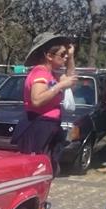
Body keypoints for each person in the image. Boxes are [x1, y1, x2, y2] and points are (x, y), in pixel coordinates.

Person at [11, 33, 77, 176]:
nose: (65, 57)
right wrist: (59, 86)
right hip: (38, 125)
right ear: (49, 56)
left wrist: (71, 57)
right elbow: (37, 100)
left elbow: (71, 80)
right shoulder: (40, 73)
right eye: (62, 54)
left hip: (49, 125)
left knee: (48, 168)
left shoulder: (51, 74)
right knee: (34, 169)